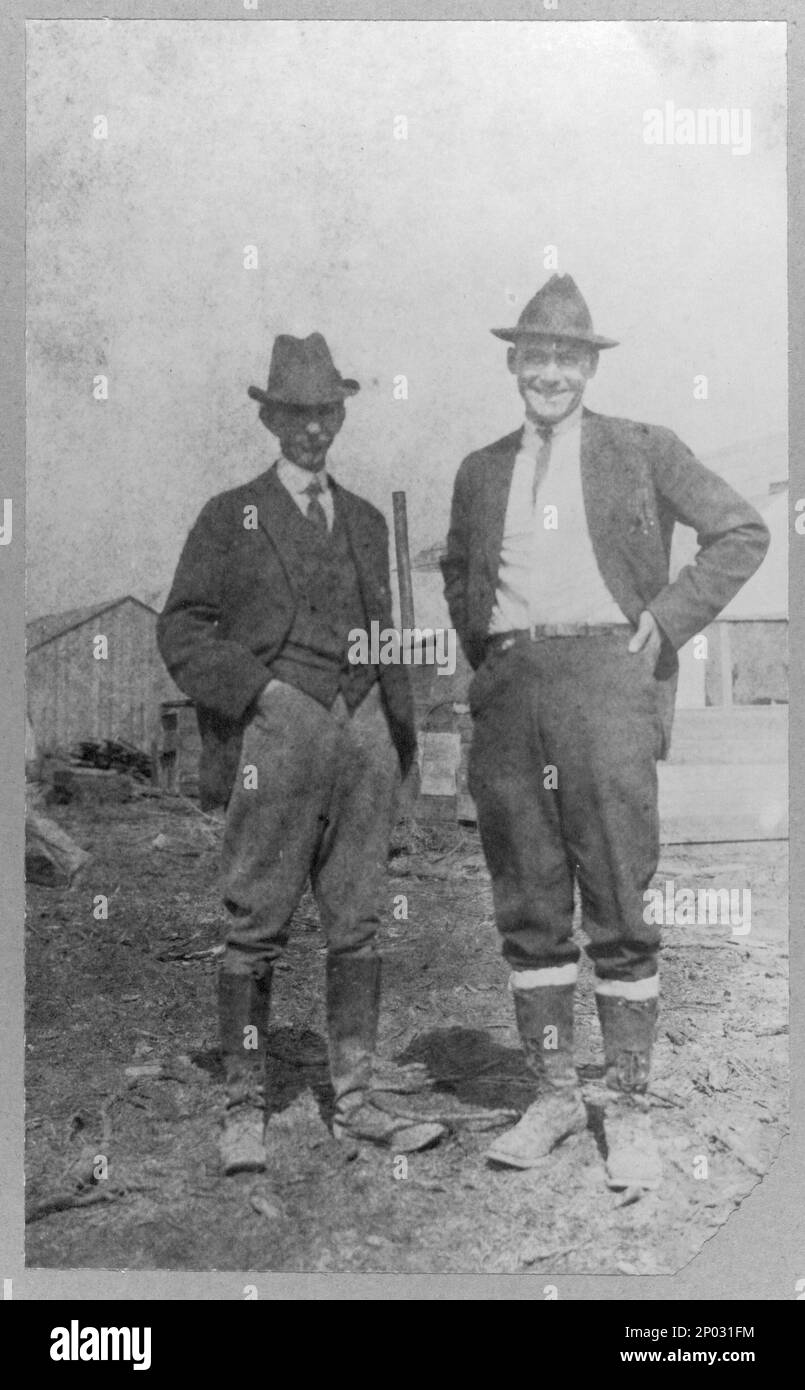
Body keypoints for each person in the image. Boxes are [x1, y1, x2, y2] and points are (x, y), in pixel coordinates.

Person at [441, 275, 769, 1188]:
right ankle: (550, 1091)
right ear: (515, 364)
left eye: (566, 357)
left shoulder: (641, 448)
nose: (550, 372)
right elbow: (461, 575)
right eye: (535, 356)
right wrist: (497, 664)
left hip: (605, 682)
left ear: (589, 366)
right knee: (530, 900)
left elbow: (740, 531)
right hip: (512, 690)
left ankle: (625, 1103)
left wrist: (664, 619)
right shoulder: (480, 469)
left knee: (620, 894)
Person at [158, 332, 443, 1174]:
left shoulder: (360, 519)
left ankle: (354, 1097)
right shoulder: (229, 513)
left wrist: (394, 736)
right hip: (277, 732)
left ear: (341, 412)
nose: (312, 428)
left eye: (326, 412)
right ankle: (242, 1106)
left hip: (361, 736)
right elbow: (181, 628)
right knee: (255, 926)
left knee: (356, 922)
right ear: (271, 418)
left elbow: (385, 635)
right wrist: (261, 694)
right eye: (296, 414)